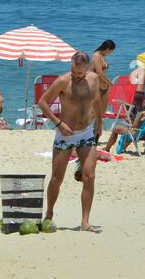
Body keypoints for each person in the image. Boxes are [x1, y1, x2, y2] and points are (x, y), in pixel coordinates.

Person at [38, 51, 103, 233]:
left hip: (87, 132)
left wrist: (99, 121)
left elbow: (96, 100)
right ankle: (49, 215)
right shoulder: (62, 81)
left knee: (89, 176)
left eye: (80, 74)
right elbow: (42, 102)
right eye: (73, 72)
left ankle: (85, 222)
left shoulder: (94, 79)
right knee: (57, 178)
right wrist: (58, 123)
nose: (76, 76)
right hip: (65, 134)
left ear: (87, 69)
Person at [91, 40, 115, 139]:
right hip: (96, 87)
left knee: (101, 114)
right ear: (107, 49)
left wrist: (108, 85)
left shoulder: (102, 56)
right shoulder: (96, 56)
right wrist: (110, 83)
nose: (111, 53)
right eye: (111, 51)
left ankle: (95, 136)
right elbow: (99, 73)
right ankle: (86, 134)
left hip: (104, 88)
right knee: (93, 113)